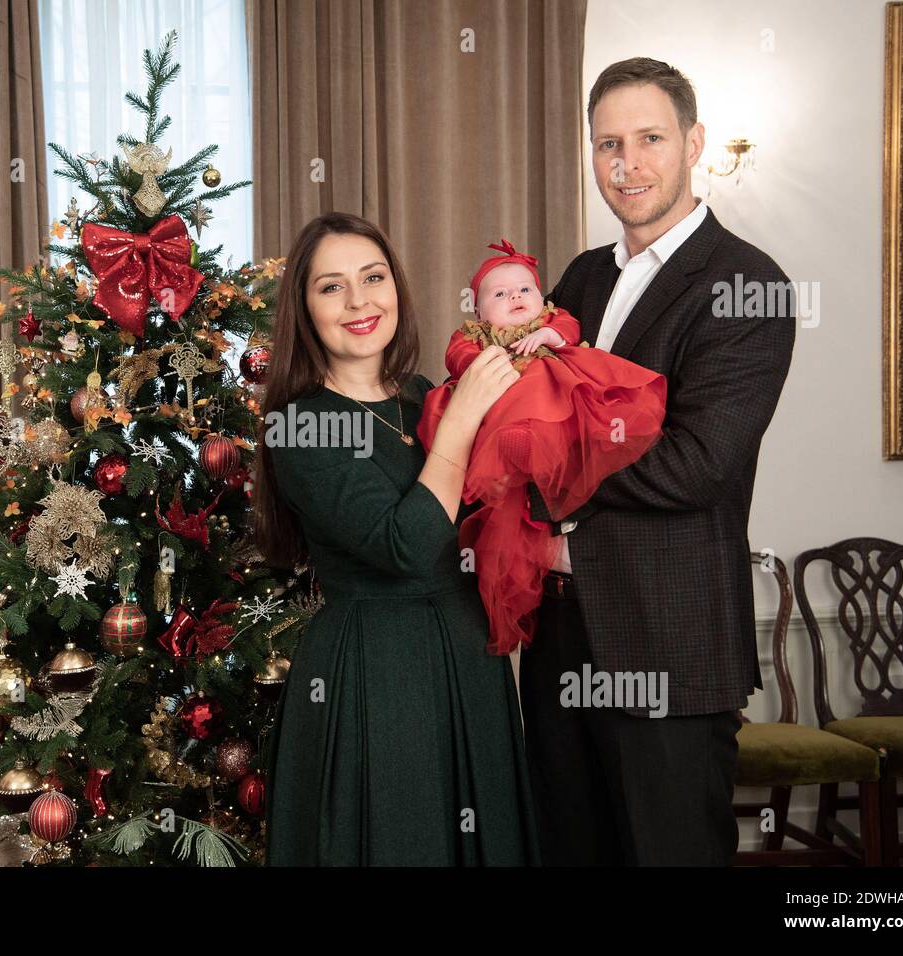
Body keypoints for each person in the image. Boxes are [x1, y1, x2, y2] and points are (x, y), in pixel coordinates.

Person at [521, 57, 797, 865]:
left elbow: (698, 462)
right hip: (561, 631)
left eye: (649, 139)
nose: (627, 164)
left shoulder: (749, 285)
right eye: (609, 143)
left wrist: (550, 461)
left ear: (695, 143)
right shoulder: (581, 275)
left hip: (667, 641)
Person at [256, 211, 539, 865]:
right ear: (303, 307)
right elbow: (405, 547)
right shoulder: (301, 426)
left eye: (373, 277)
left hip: (469, 659)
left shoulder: (424, 395)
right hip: (374, 672)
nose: (359, 302)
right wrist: (465, 418)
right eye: (331, 287)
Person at [417, 240, 667, 657]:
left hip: (550, 395)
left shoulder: (552, 321)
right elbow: (457, 355)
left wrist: (551, 333)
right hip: (496, 394)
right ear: (479, 312)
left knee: (567, 395)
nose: (515, 297)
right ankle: (511, 453)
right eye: (499, 294)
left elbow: (568, 327)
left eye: (524, 290)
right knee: (448, 409)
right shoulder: (475, 336)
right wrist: (480, 361)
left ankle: (543, 449)